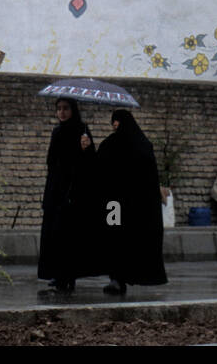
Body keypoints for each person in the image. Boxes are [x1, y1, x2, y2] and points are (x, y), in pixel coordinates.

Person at [95, 108, 168, 294]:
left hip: (114, 206)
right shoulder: (143, 144)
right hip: (136, 208)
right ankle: (123, 277)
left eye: (115, 121)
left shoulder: (112, 144)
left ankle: (117, 279)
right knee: (128, 241)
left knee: (114, 240)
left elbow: (98, 170)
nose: (114, 125)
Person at [38, 97, 99, 295]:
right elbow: (51, 161)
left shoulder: (82, 130)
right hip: (56, 189)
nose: (62, 112)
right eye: (59, 109)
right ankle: (57, 275)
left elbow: (90, 163)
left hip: (74, 192)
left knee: (69, 236)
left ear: (73, 110)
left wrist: (86, 148)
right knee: (54, 234)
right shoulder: (57, 132)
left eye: (66, 108)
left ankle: (68, 276)